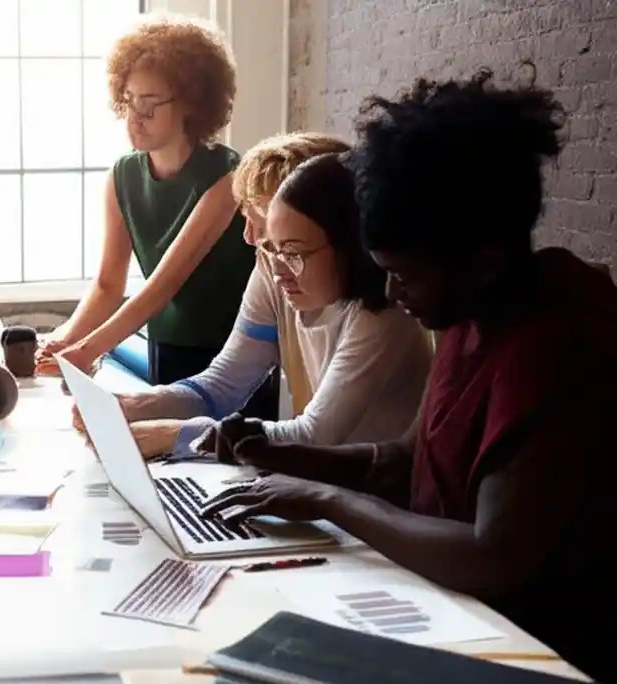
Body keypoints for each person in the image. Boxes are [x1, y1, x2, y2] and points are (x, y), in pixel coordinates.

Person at [203, 72, 617, 684]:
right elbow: (408, 460)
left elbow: (490, 556)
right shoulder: (473, 313)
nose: (393, 293)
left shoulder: (557, 345)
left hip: (542, 660)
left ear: (484, 262)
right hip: (461, 615)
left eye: (407, 276)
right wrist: (285, 458)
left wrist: (330, 499)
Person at [89, 143, 432, 460]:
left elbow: (315, 436)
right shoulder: (273, 266)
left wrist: (172, 434)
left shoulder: (381, 310)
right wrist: (134, 404)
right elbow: (223, 385)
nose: (251, 238)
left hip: (369, 493)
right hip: (321, 482)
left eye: (259, 219)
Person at [39, 18, 273, 419]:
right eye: (128, 101)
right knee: (168, 461)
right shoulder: (122, 177)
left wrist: (86, 350)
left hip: (235, 354)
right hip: (165, 344)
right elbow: (108, 284)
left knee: (228, 465)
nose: (135, 117)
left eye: (149, 104)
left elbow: (164, 285)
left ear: (191, 103)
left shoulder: (226, 176)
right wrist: (61, 340)